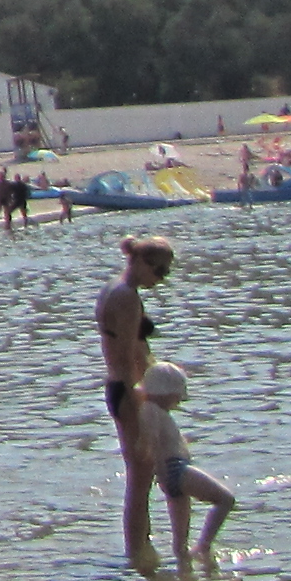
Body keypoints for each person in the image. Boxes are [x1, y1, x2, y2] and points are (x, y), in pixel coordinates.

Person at [98, 236, 176, 561]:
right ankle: (138, 554)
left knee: (143, 472)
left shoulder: (115, 288)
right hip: (128, 392)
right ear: (141, 263)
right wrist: (140, 409)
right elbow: (129, 358)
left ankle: (143, 549)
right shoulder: (126, 298)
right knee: (140, 476)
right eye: (159, 270)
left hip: (124, 390)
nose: (162, 278)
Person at [137, 363, 235, 559]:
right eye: (176, 396)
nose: (178, 401)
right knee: (225, 500)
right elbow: (152, 441)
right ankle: (204, 546)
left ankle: (184, 563)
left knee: (180, 541)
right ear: (166, 393)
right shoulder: (151, 410)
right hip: (175, 469)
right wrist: (161, 469)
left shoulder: (155, 411)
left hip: (171, 472)